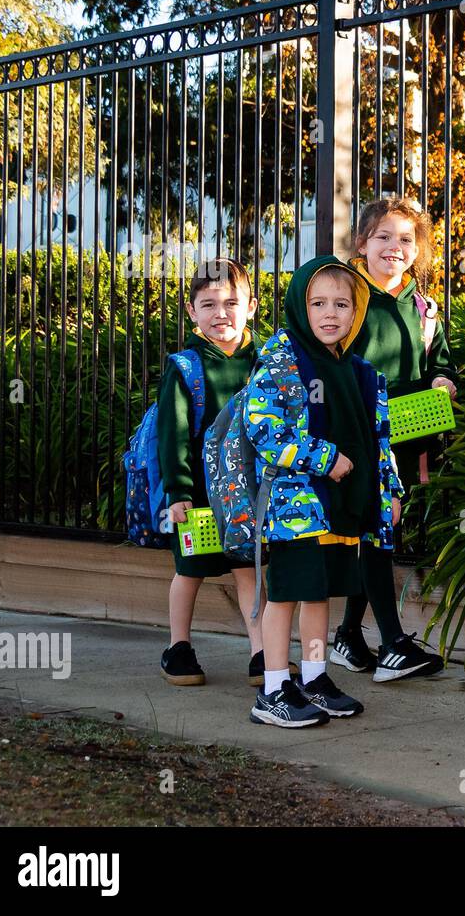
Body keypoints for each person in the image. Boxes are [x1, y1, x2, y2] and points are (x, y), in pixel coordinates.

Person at [246, 256, 402, 728]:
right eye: (318, 303)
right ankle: (273, 688)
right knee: (287, 594)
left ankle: (314, 678)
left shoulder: (361, 372)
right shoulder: (282, 358)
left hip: (341, 509)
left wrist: (389, 490)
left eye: (342, 304)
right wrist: (322, 458)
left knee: (320, 596)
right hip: (295, 508)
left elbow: (380, 439)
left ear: (356, 313)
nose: (330, 314)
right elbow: (263, 425)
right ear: (300, 306)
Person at [330, 197, 453, 682]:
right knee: (377, 529)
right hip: (361, 436)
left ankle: (347, 635)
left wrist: (441, 379)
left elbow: (440, 358)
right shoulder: (349, 297)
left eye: (406, 239)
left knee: (378, 532)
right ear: (362, 243)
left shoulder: (422, 305)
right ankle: (395, 643)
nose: (394, 247)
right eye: (383, 236)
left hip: (405, 436)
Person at [157, 258, 280, 687]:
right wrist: (178, 491)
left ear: (252, 306)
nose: (220, 313)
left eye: (231, 302)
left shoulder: (266, 360)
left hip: (249, 491)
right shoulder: (186, 366)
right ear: (191, 312)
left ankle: (261, 653)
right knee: (190, 568)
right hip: (201, 494)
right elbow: (170, 433)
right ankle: (178, 647)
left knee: (249, 570)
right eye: (208, 305)